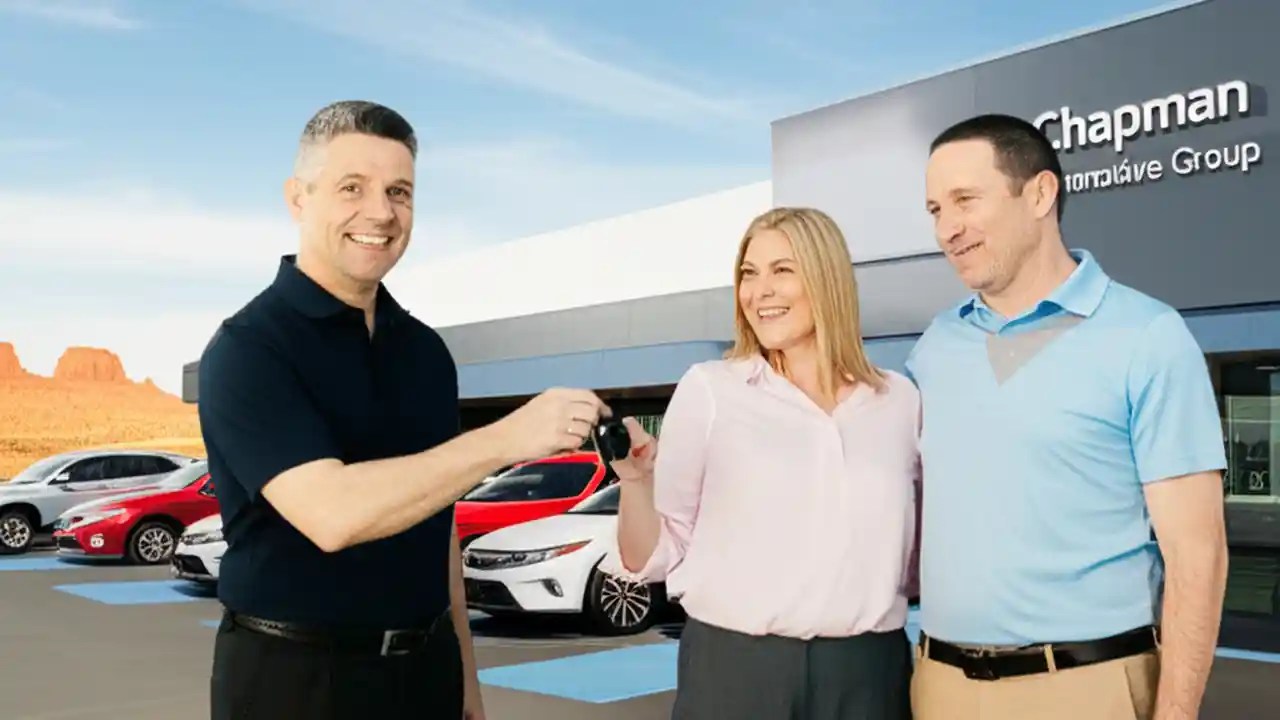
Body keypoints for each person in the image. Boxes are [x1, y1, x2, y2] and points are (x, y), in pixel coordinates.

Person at [196, 100, 610, 720]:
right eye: (352, 188)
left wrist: (465, 683)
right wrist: (507, 439)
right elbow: (331, 513)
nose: (381, 212)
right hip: (294, 682)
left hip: (426, 674)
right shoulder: (250, 349)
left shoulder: (424, 352)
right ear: (298, 198)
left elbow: (438, 524)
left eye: (399, 191)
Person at [906, 113, 1229, 720]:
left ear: (1039, 194)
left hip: (1086, 688)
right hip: (940, 687)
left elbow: (1198, 555)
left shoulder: (1148, 336)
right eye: (935, 210)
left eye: (966, 200)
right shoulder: (935, 346)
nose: (948, 228)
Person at [605, 207, 922, 719]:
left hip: (868, 675)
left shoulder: (900, 401)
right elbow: (652, 556)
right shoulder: (710, 390)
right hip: (736, 673)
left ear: (827, 278)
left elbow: (916, 554)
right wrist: (636, 484)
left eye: (782, 270)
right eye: (749, 274)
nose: (759, 291)